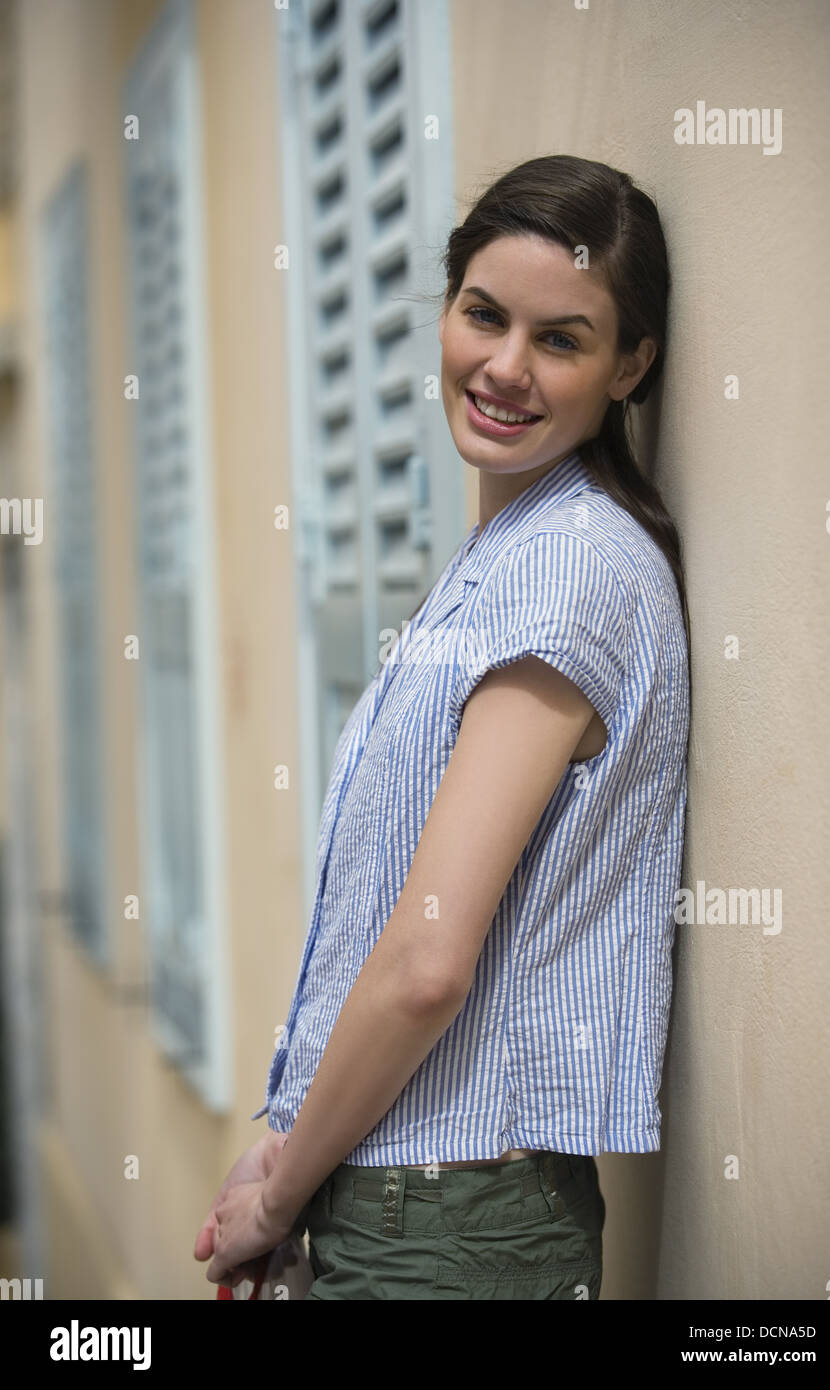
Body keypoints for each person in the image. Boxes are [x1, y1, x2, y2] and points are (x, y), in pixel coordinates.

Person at [194, 153, 691, 1300]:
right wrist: (291, 1153)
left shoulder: (564, 574)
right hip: (419, 1194)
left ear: (631, 366)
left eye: (560, 339)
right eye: (482, 315)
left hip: (452, 1228)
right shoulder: (513, 553)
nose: (503, 367)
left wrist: (275, 1198)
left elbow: (425, 964)